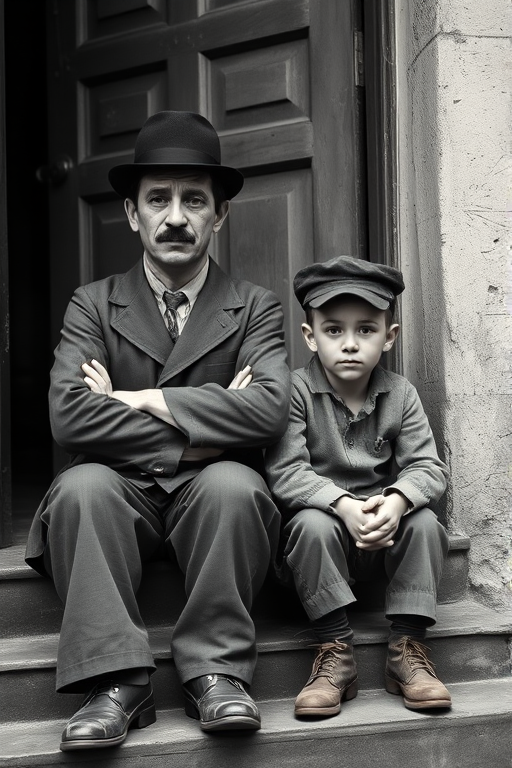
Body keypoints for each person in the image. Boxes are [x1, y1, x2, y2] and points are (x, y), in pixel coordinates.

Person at [25, 110, 290, 750]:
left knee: (234, 485)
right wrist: (206, 417)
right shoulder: (94, 302)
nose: (176, 217)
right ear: (131, 212)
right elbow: (69, 415)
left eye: (194, 200)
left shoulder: (255, 305)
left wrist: (135, 398)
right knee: (82, 486)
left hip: (209, 500)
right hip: (119, 495)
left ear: (219, 215)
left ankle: (218, 673)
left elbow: (270, 409)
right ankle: (117, 683)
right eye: (159, 200)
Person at [264, 255, 451, 718]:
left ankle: (407, 649)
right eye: (333, 330)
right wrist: (342, 505)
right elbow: (286, 471)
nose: (349, 344)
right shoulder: (295, 392)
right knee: (309, 523)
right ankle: (335, 651)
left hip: (382, 536)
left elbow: (428, 466)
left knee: (425, 521)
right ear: (310, 336)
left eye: (365, 330)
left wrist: (398, 499)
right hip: (322, 544)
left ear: (389, 338)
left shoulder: (400, 393)